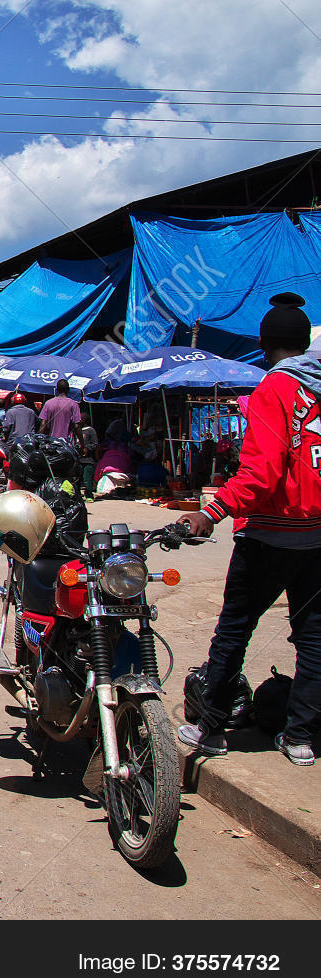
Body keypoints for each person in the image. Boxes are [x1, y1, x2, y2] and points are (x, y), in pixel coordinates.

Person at [178, 292, 321, 767]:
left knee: (235, 630)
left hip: (270, 536)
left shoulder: (274, 389)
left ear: (263, 343)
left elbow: (261, 473)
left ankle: (210, 730)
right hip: (317, 537)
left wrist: (211, 512)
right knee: (314, 638)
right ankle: (300, 738)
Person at [38, 379, 81, 445]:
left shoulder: (48, 403)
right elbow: (77, 426)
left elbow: (43, 424)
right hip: (67, 444)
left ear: (57, 390)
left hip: (51, 443)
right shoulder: (73, 404)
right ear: (68, 390)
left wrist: (39, 441)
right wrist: (82, 444)